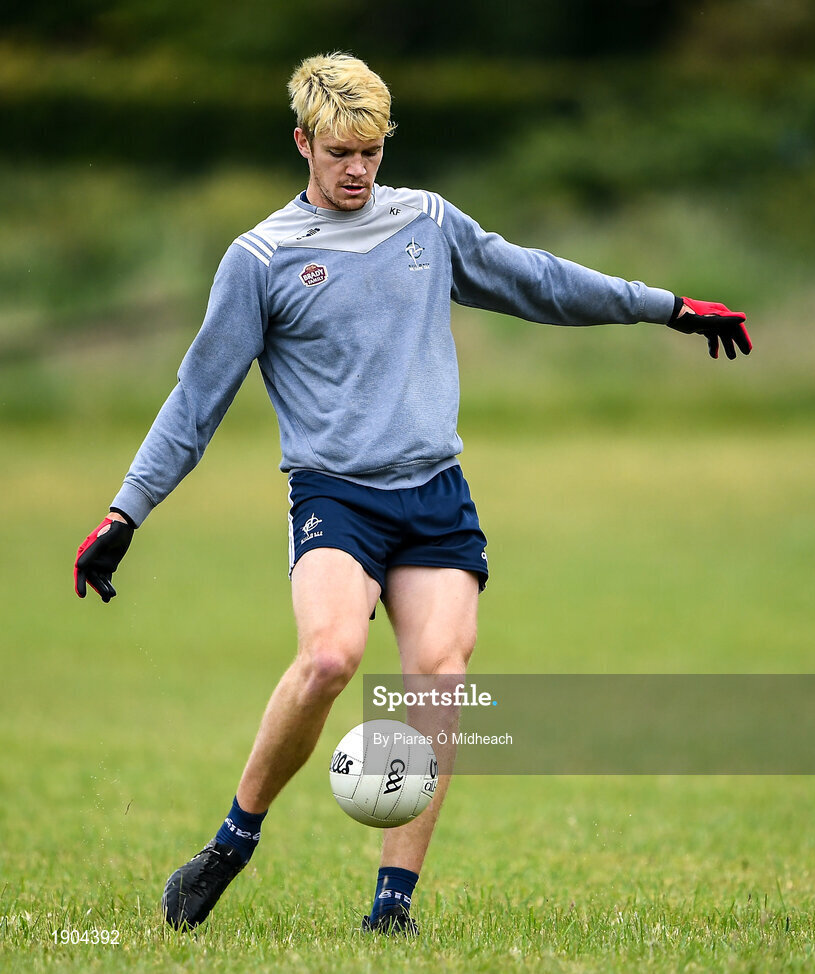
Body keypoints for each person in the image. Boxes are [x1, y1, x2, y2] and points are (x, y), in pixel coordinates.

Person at [73, 52, 751, 935]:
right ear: (301, 145)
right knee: (328, 659)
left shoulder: (426, 222)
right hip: (334, 496)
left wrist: (663, 306)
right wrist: (127, 510)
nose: (356, 170)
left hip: (433, 497)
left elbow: (536, 279)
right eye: (337, 152)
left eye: (371, 151)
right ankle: (230, 845)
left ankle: (391, 911)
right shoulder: (262, 258)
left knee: (437, 681)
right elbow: (195, 399)